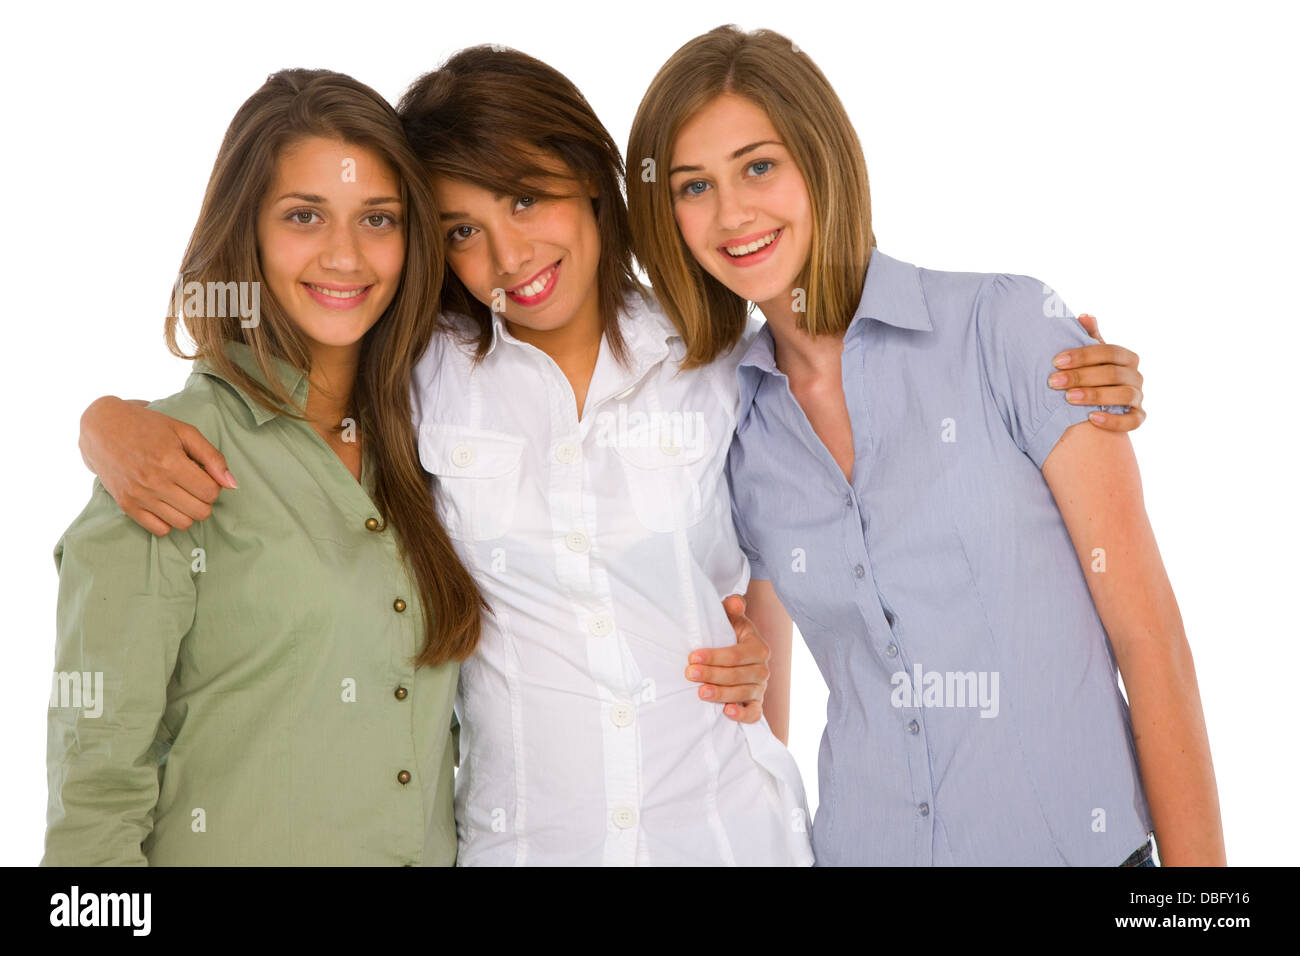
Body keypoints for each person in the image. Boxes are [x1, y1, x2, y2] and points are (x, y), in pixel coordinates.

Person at [73, 47, 1149, 867]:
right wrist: (104, 419)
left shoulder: (716, 350)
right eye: (458, 230)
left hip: (731, 839)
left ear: (593, 182)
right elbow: (281, 394)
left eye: (528, 197)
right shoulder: (420, 373)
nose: (509, 256)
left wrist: (1052, 358)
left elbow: (817, 495)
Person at [625, 24, 1224, 866]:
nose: (732, 213)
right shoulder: (735, 424)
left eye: (759, 165)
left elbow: (1151, 641)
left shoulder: (1007, 330)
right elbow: (763, 708)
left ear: (821, 158)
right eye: (692, 186)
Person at [44, 69, 485, 865]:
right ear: (245, 231)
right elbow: (93, 806)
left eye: (377, 219)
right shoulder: (165, 465)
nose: (344, 256)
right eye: (303, 216)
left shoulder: (437, 443)